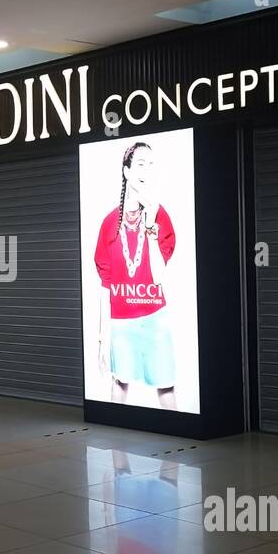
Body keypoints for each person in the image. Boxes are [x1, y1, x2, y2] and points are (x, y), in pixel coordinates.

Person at [93, 142, 178, 409]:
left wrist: (151, 222)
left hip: (155, 318)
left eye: (151, 164)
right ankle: (116, 451)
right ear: (127, 171)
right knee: (118, 387)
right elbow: (105, 287)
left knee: (166, 389)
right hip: (121, 323)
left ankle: (178, 445)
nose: (146, 170)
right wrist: (101, 339)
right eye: (140, 163)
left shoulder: (159, 215)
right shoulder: (109, 223)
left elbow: (157, 277)